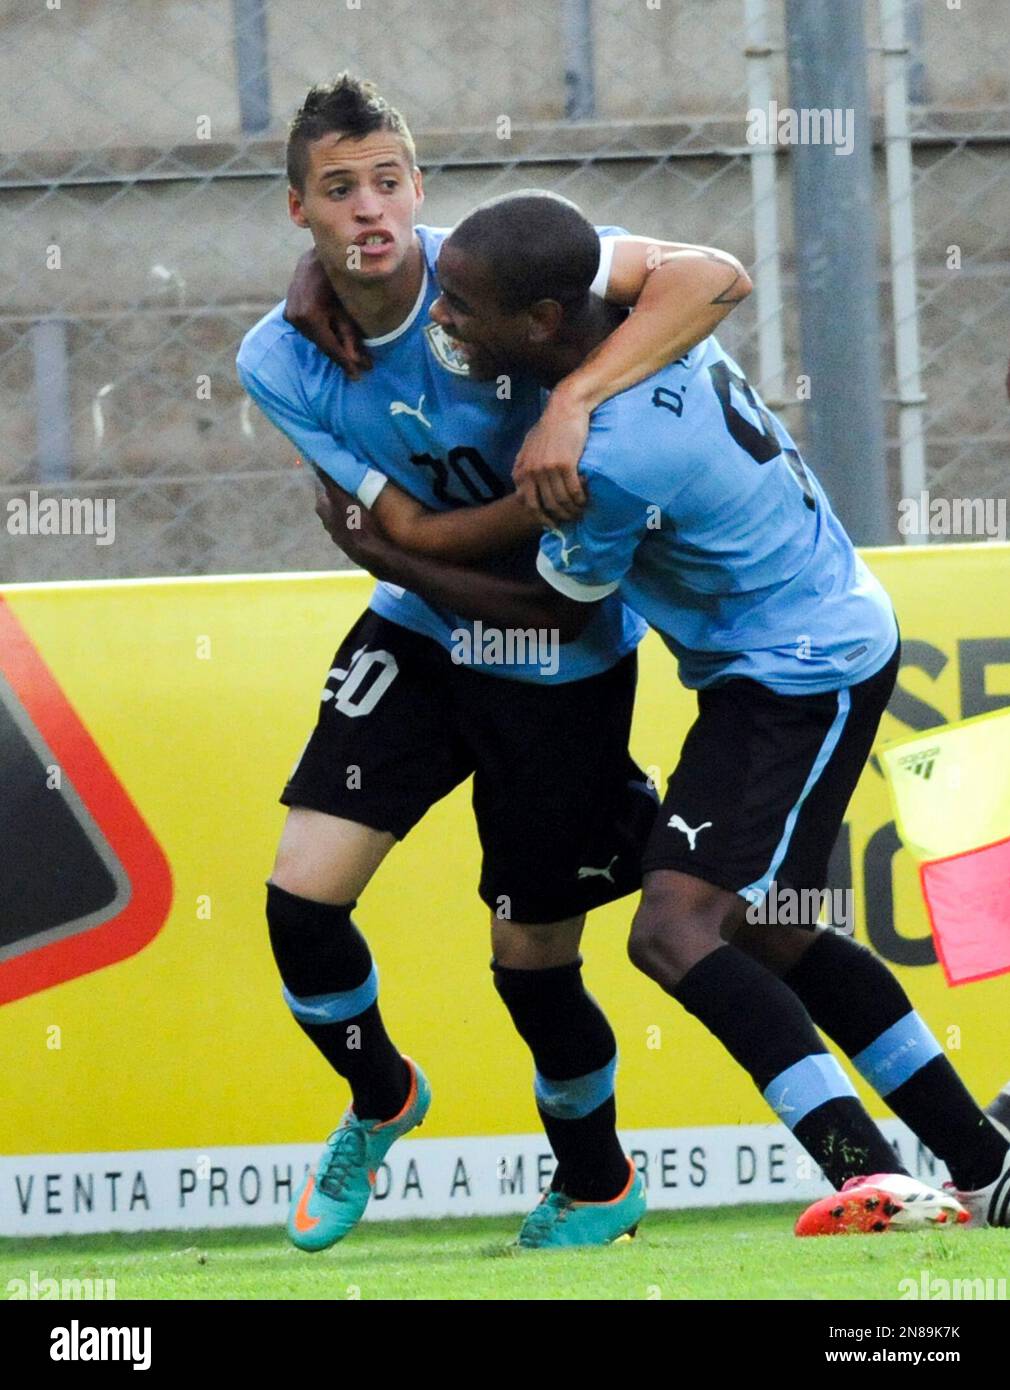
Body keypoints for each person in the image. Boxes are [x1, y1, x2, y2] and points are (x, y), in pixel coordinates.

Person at [319, 188, 1010, 1234]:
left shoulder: (605, 458)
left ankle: (866, 1173)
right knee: (771, 931)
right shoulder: (628, 321)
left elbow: (549, 603)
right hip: (785, 654)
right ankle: (982, 1162)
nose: (441, 321)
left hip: (800, 670)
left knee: (674, 930)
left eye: (459, 307)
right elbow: (704, 272)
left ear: (546, 320)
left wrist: (387, 547)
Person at [236, 76, 753, 1250]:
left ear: (417, 190)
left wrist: (567, 403)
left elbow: (713, 272)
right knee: (297, 901)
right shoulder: (281, 356)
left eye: (386, 182)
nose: (368, 210)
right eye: (337, 191)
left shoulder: (492, 275)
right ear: (297, 213)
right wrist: (413, 560)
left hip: (562, 667)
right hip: (419, 642)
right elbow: (398, 545)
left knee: (530, 961)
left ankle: (596, 1180)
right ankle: (381, 1095)